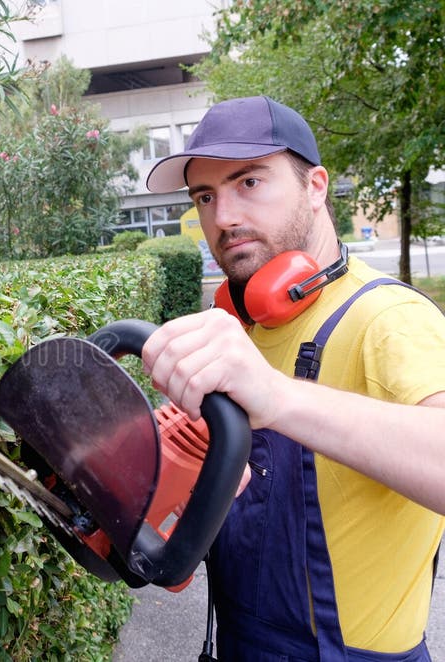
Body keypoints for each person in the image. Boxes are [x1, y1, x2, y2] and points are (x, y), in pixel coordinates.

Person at [143, 96, 445, 660]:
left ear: (315, 186)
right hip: (238, 641)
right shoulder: (241, 326)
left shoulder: (387, 318)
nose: (223, 217)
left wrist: (279, 397)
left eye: (249, 182)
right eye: (205, 197)